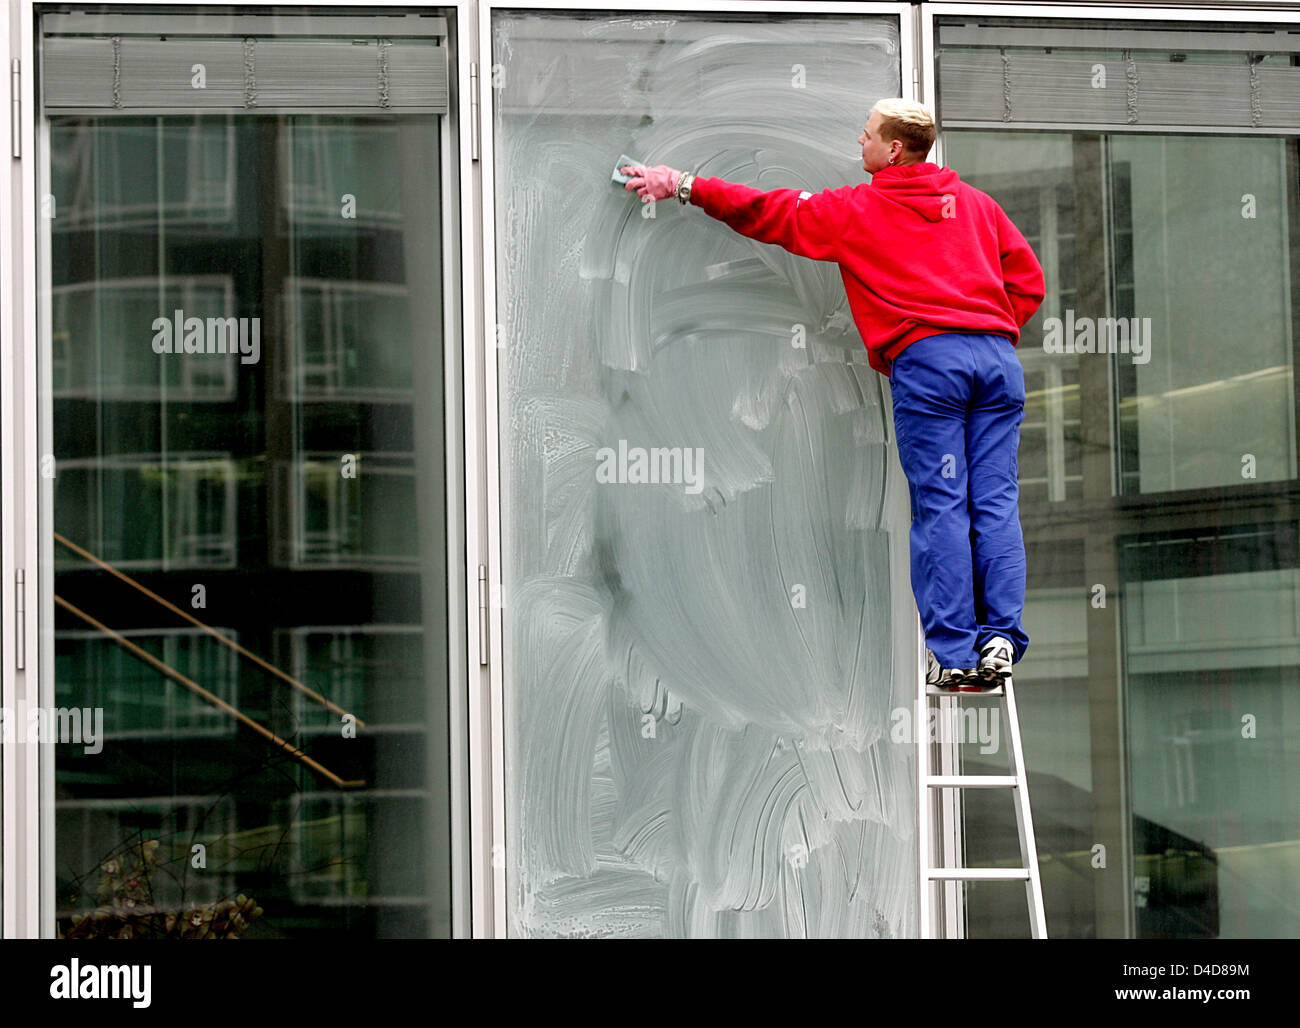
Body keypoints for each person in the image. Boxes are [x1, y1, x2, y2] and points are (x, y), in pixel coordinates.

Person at [622, 98, 1045, 691]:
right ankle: (1000, 635)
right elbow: (1027, 282)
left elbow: (767, 212)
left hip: (933, 364)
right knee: (996, 502)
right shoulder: (976, 206)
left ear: (893, 148)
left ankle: (953, 651)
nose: (859, 142)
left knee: (944, 504)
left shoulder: (859, 210)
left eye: (868, 134)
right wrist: (987, 326)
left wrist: (683, 184)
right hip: (997, 364)